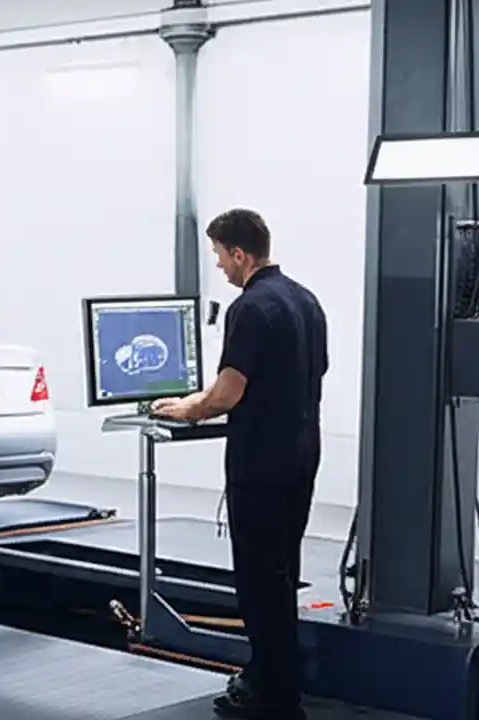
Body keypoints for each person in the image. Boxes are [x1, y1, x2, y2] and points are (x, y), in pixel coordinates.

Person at [150, 208, 327, 719]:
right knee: (282, 571)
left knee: (256, 580)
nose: (220, 267)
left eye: (219, 256)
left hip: (261, 465)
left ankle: (267, 688)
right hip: (301, 455)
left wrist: (190, 407)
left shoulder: (250, 308)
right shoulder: (306, 300)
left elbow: (229, 391)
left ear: (240, 254)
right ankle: (281, 678)